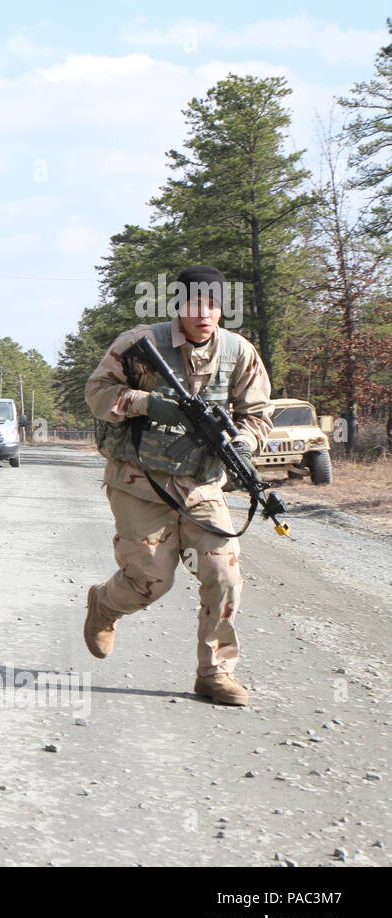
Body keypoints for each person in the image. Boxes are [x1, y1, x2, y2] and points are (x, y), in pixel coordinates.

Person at [83, 265, 273, 706]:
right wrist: (147, 404)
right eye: (194, 303)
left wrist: (243, 443)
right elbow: (96, 395)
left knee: (223, 573)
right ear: (177, 304)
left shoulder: (239, 352)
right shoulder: (138, 344)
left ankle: (215, 673)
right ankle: (105, 606)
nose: (204, 313)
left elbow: (258, 415)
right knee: (149, 579)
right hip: (139, 481)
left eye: (213, 304)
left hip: (203, 485)